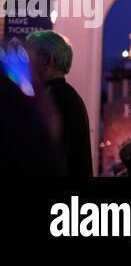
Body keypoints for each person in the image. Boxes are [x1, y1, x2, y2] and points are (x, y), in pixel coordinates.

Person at [24, 30, 92, 177]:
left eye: (28, 56)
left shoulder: (54, 98)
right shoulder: (67, 96)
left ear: (47, 60)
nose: (24, 62)